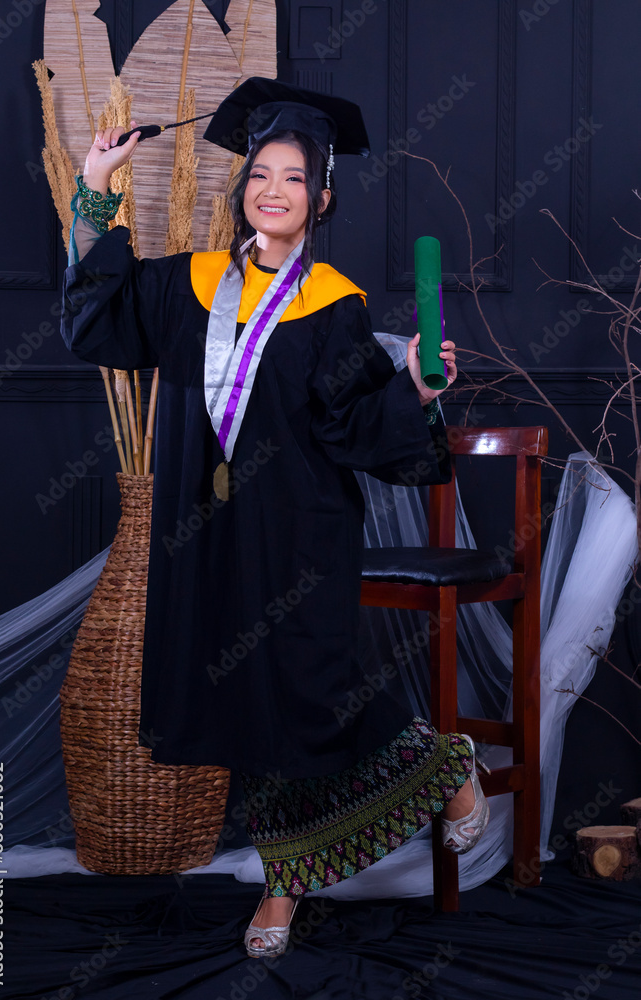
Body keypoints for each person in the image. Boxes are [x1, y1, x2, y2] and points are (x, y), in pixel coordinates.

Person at [61, 77, 489, 959]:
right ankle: (280, 893)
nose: (274, 190)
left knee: (307, 697)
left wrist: (412, 388)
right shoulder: (186, 283)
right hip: (202, 531)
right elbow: (94, 323)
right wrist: (96, 191)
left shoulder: (333, 302)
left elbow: (353, 427)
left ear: (321, 196)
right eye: (261, 173)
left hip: (296, 532)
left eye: (295, 178)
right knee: (240, 711)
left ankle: (446, 773)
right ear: (242, 186)